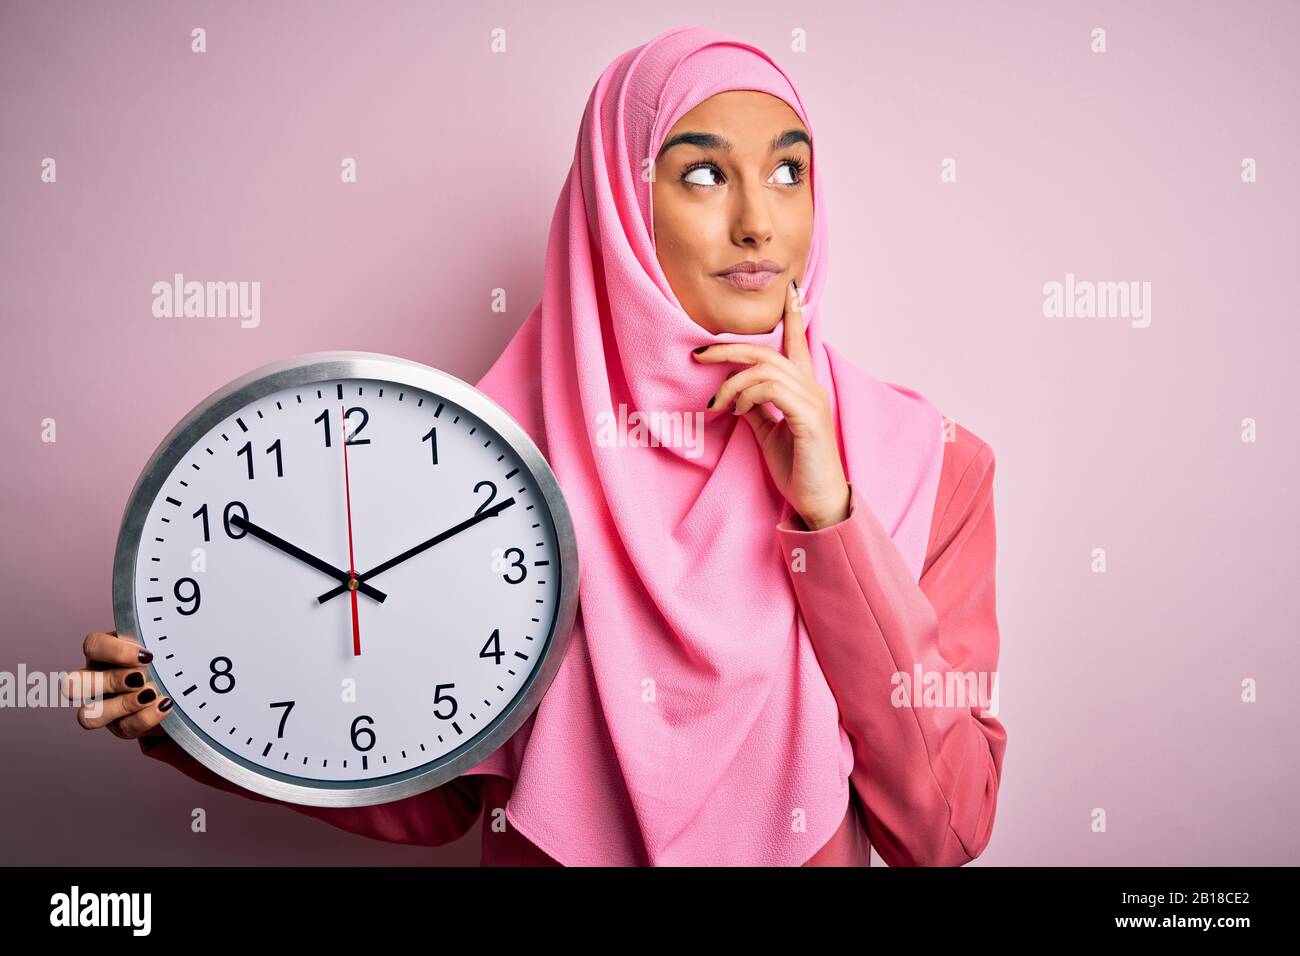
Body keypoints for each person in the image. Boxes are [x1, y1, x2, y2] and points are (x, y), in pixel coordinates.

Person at [69, 25, 1007, 867]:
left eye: (790, 172)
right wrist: (191, 715)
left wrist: (834, 518)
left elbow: (945, 830)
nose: (759, 221)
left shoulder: (930, 464)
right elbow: (430, 786)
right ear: (621, 204)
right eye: (705, 173)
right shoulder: (484, 461)